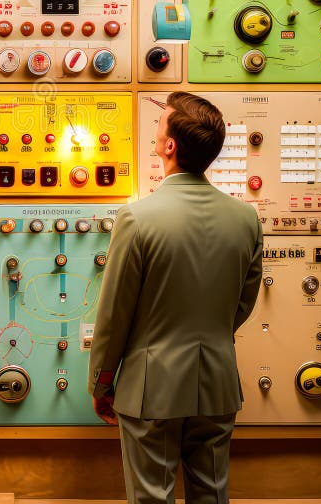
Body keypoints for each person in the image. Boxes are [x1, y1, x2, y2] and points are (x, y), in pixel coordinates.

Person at [88, 91, 264, 504]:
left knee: (151, 496)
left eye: (160, 121)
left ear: (169, 146)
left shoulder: (136, 218)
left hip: (151, 388)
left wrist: (102, 381)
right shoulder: (246, 219)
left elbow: (114, 314)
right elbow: (243, 302)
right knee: (212, 493)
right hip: (218, 383)